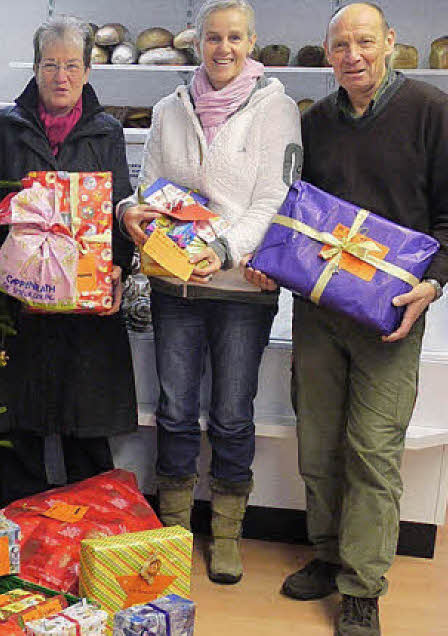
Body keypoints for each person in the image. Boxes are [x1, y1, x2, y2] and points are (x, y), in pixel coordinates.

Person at [252, 3, 448, 634]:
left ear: (389, 42)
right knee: (318, 444)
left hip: (390, 317)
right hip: (318, 312)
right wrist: (267, 259)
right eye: (341, 45)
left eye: (365, 42)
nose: (353, 55)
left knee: (372, 450)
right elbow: (295, 212)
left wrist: (434, 283)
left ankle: (362, 587)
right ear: (328, 52)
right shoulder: (314, 123)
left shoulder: (430, 112)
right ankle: (329, 553)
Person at [119, 0, 302, 585]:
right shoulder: (172, 107)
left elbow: (275, 199)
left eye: (235, 37)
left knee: (229, 414)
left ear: (251, 42)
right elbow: (147, 183)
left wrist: (220, 249)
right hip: (175, 285)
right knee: (174, 411)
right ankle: (174, 528)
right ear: (198, 42)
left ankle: (227, 535)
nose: (223, 48)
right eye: (213, 37)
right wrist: (133, 212)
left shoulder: (276, 109)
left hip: (241, 288)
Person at [0, 15, 137, 506]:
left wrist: (120, 266)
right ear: (36, 68)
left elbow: (120, 212)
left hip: (84, 309)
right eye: (50, 64)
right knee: (14, 426)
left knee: (87, 431)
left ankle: (90, 540)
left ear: (87, 71)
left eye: (72, 65)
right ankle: (22, 536)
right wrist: (18, 214)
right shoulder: (6, 126)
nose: (61, 76)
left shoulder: (107, 131)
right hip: (15, 301)